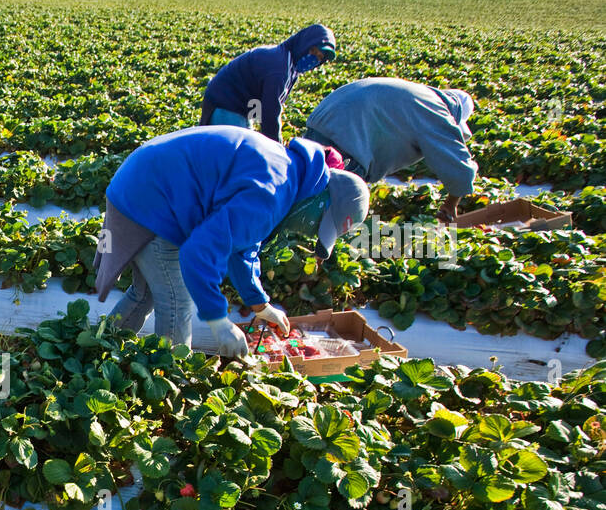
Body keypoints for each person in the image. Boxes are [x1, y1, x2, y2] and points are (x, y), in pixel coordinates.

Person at [93, 125, 369, 360]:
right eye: (318, 223)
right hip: (152, 199)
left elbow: (243, 246)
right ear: (321, 200)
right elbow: (197, 253)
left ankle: (100, 348)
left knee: (145, 293)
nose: (310, 233)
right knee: (177, 303)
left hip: (141, 182)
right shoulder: (272, 192)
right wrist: (218, 321)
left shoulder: (287, 175)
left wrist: (259, 304)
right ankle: (168, 377)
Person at [304, 77, 478, 221]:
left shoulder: (419, 94)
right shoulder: (436, 110)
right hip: (349, 139)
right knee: (330, 209)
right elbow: (459, 166)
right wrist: (451, 204)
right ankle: (318, 251)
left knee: (305, 183)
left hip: (323, 121)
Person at [199, 24, 336, 142]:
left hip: (238, 107)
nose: (313, 59)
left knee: (243, 151)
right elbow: (271, 110)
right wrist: (275, 147)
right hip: (226, 105)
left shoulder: (289, 65)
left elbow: (262, 103)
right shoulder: (280, 67)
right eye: (312, 51)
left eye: (319, 57)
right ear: (304, 44)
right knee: (231, 156)